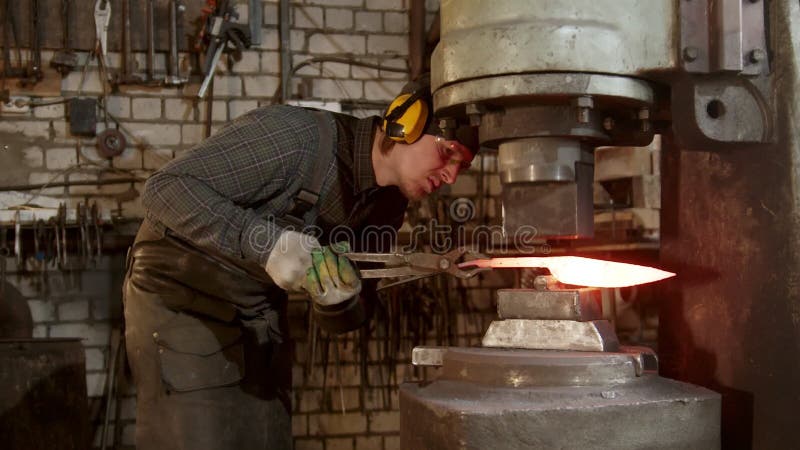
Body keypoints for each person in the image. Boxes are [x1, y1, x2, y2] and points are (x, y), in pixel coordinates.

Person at [122, 77, 478, 450]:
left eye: (462, 167)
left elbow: (351, 317)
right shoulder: (297, 138)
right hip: (179, 293)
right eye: (446, 153)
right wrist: (265, 244)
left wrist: (339, 299)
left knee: (266, 435)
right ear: (404, 122)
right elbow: (164, 189)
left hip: (255, 307)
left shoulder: (387, 206)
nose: (450, 176)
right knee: (201, 434)